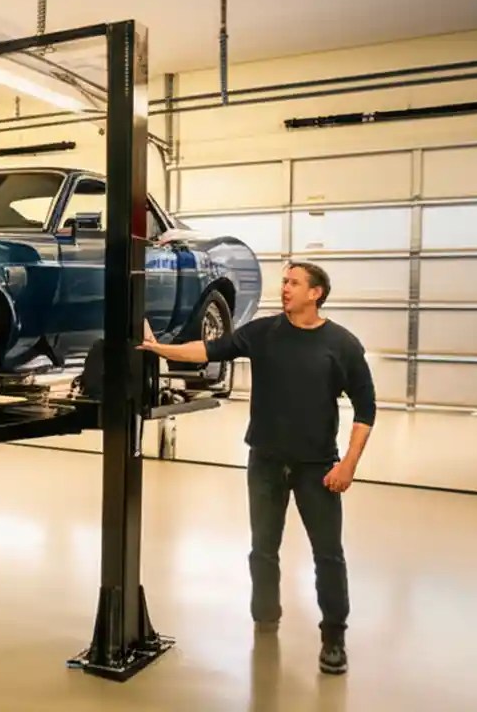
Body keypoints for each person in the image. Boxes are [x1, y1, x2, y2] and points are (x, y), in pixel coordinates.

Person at [138, 261, 375, 676]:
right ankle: (265, 615)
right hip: (264, 460)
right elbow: (210, 349)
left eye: (293, 283)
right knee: (263, 548)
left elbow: (366, 408)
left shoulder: (342, 345)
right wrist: (161, 349)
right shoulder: (264, 333)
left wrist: (349, 465)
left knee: (329, 556)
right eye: (284, 281)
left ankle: (333, 637)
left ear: (315, 293)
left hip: (317, 467)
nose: (284, 288)